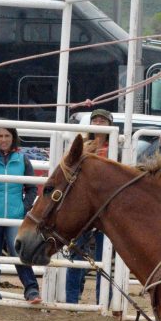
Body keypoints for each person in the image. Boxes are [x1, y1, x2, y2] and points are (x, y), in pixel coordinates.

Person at [0, 126, 42, 304]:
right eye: (0, 136)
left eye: (7, 135)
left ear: (13, 137)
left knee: (19, 253)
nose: (3, 139)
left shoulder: (23, 160)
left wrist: (23, 208)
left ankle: (31, 290)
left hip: (15, 217)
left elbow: (32, 188)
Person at [66, 107, 112, 304]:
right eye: (96, 120)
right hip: (86, 207)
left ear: (109, 124)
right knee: (77, 253)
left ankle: (103, 300)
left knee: (104, 255)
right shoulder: (84, 147)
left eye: (103, 121)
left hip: (105, 207)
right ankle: (72, 298)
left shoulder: (115, 147)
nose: (99, 124)